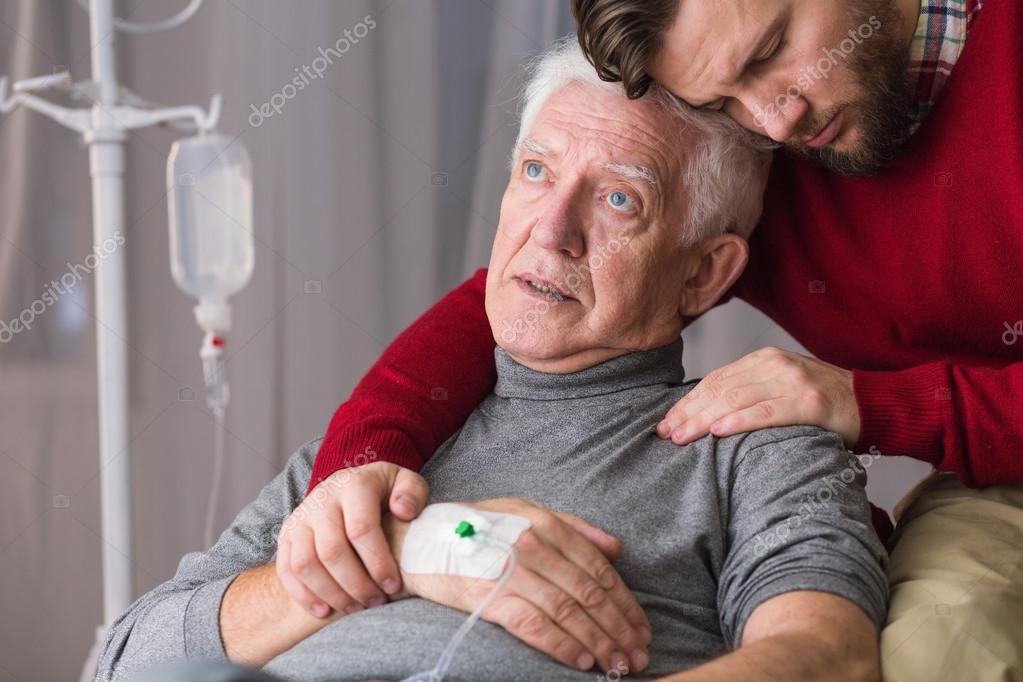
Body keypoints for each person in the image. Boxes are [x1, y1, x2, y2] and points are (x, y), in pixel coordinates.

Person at [96, 40, 888, 682]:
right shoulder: (366, 466)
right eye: (536, 172)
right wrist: (419, 552)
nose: (549, 231)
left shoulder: (754, 445)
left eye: (618, 199)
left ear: (704, 272)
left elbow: (827, 658)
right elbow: (125, 662)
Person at [282, 1, 1023, 679]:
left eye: (770, 49)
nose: (772, 121)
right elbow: (517, 294)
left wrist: (882, 403)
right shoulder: (776, 151)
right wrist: (362, 467)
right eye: (721, 98)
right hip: (999, 474)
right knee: (940, 644)